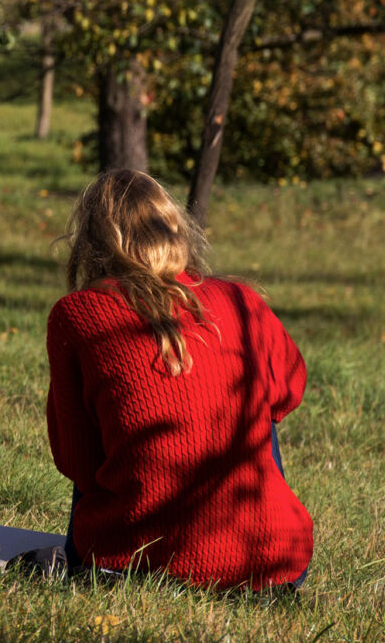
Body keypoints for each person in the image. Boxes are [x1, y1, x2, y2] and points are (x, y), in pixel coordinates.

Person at [28, 169, 313, 591]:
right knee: (259, 404)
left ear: (92, 242)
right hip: (275, 564)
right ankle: (252, 539)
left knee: (100, 437)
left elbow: (77, 460)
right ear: (175, 228)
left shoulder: (78, 314)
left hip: (135, 564)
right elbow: (289, 391)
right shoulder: (241, 301)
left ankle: (87, 557)